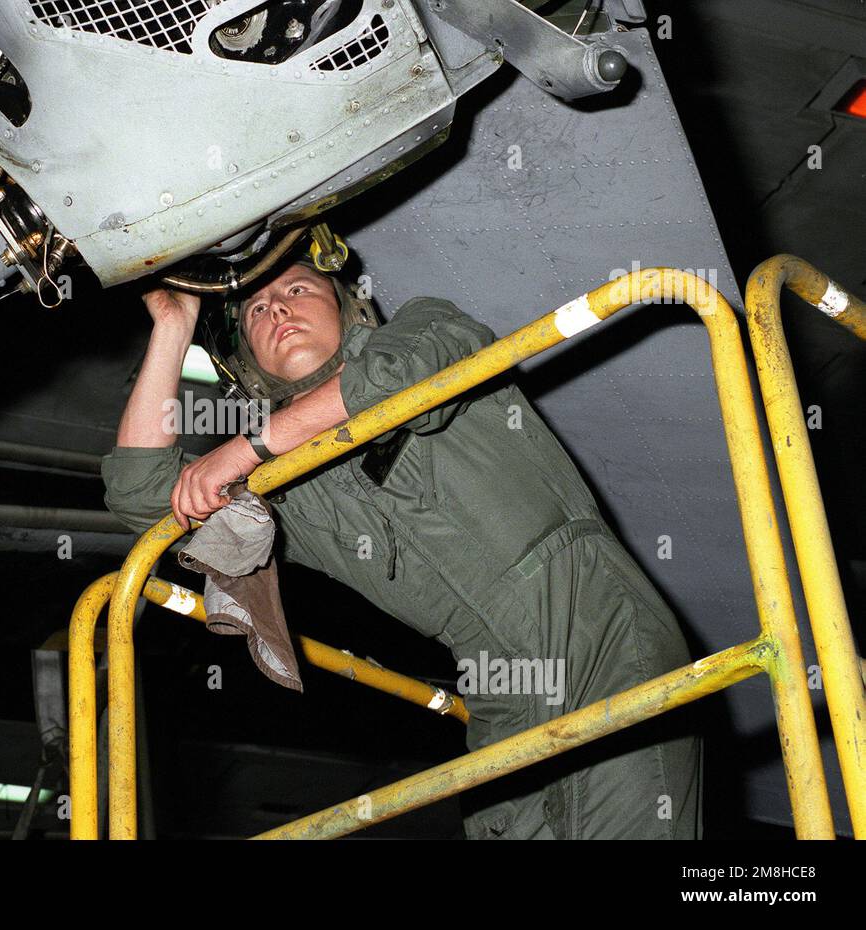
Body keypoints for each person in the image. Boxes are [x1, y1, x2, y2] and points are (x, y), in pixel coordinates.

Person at [101, 251, 702, 839]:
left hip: (603, 637)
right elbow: (140, 494)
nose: (277, 310)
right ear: (247, 361)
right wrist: (173, 327)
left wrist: (248, 447)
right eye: (256, 310)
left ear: (345, 306)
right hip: (501, 697)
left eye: (297, 291)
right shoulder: (294, 486)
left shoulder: (424, 325)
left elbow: (394, 379)